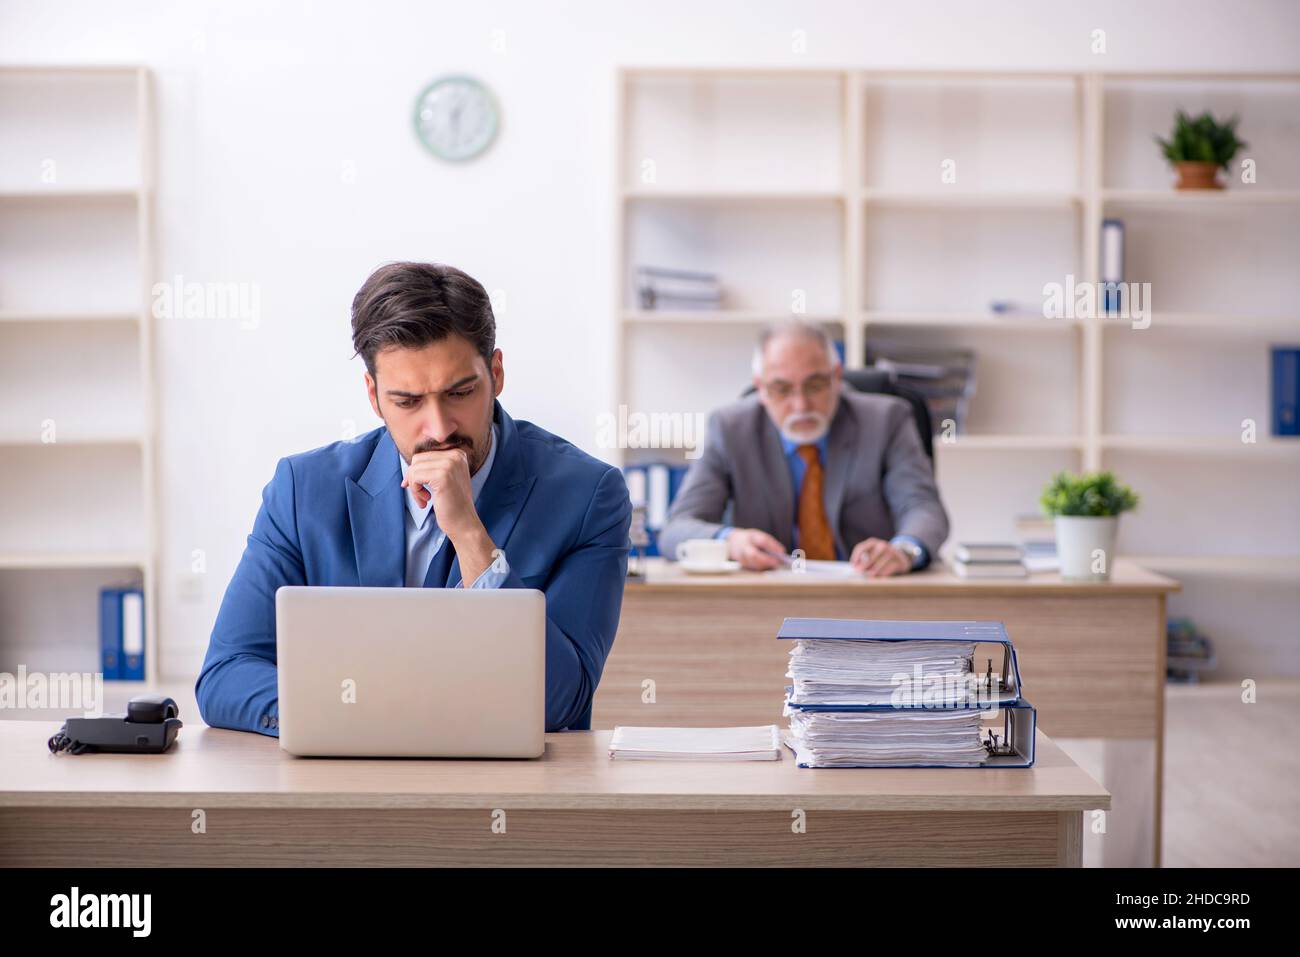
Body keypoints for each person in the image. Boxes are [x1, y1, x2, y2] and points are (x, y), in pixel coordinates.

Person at [196, 261, 632, 735]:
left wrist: (471, 537)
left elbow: (558, 701)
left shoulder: (589, 496)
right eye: (407, 402)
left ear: (497, 373)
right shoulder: (303, 490)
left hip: (509, 794)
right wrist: (365, 714)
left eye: (460, 392)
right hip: (342, 786)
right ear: (374, 395)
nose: (440, 428)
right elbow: (226, 674)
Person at [658, 321, 948, 576]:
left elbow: (923, 509)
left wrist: (903, 551)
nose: (801, 405)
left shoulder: (887, 420)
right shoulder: (729, 428)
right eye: (781, 389)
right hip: (763, 601)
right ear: (760, 388)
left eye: (815, 385)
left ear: (836, 376)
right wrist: (729, 540)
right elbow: (677, 528)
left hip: (866, 598)